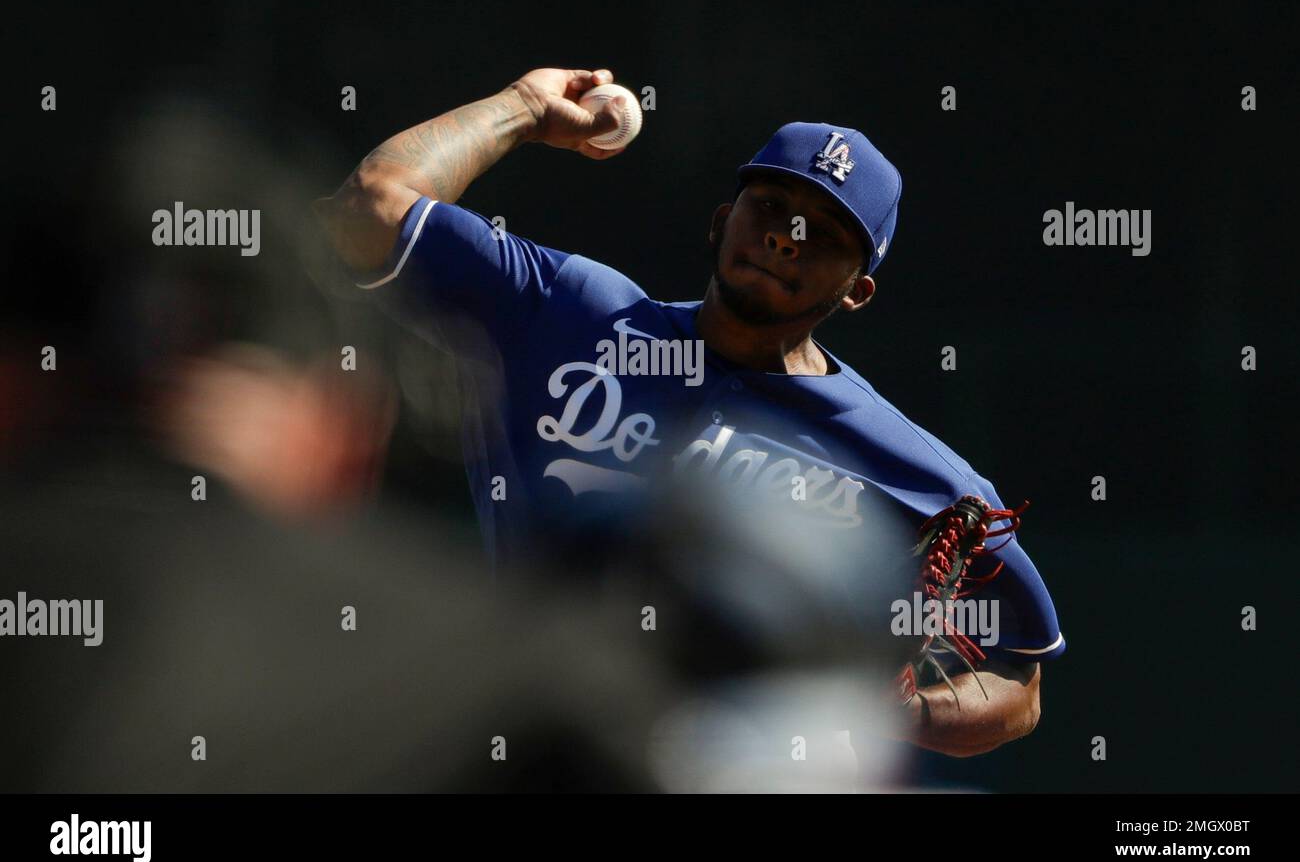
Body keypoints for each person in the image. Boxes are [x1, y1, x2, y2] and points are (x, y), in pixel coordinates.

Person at [313, 66, 1065, 758]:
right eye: (770, 206)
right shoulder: (572, 314)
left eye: (825, 235)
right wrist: (524, 110)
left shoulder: (915, 471)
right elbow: (372, 205)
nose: (784, 236)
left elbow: (1020, 688)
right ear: (721, 220)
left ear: (857, 291)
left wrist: (878, 715)